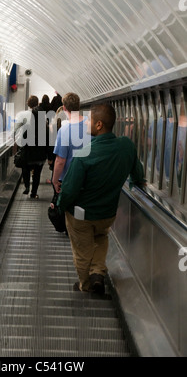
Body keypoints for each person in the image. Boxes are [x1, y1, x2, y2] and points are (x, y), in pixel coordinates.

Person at [57, 103, 146, 294]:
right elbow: (138, 174)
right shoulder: (126, 146)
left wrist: (59, 205)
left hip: (81, 215)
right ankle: (97, 272)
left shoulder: (84, 154)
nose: (86, 122)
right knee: (100, 236)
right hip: (107, 213)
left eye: (89, 119)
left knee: (82, 250)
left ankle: (85, 285)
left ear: (99, 125)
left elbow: (70, 189)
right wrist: (138, 183)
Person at [51, 92, 90, 194]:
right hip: (90, 179)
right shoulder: (91, 124)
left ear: (64, 108)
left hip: (70, 180)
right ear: (78, 106)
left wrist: (55, 181)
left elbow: (60, 161)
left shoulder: (64, 130)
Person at [14, 95, 51, 199]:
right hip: (40, 155)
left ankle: (26, 186)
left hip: (29, 154)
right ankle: (33, 193)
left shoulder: (28, 128)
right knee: (37, 174)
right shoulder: (45, 128)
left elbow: (23, 140)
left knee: (25, 168)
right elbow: (49, 143)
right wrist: (49, 156)